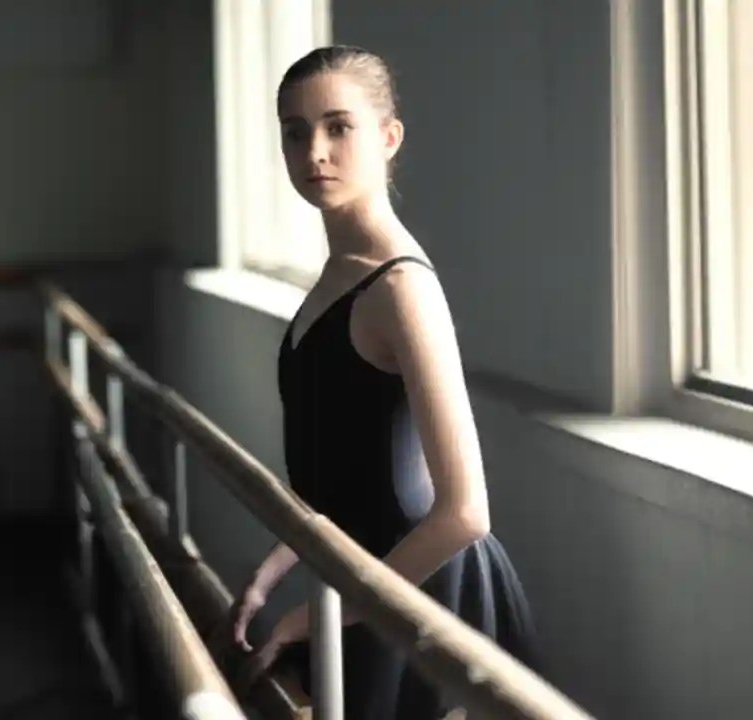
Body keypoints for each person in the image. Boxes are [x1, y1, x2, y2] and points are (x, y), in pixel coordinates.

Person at [213, 45, 539, 718]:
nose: (315, 152)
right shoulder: (339, 272)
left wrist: (319, 615)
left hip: (423, 595)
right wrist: (268, 573)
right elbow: (338, 480)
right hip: (359, 583)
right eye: (295, 132)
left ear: (388, 138)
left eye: (339, 127)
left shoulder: (400, 288)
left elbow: (465, 512)